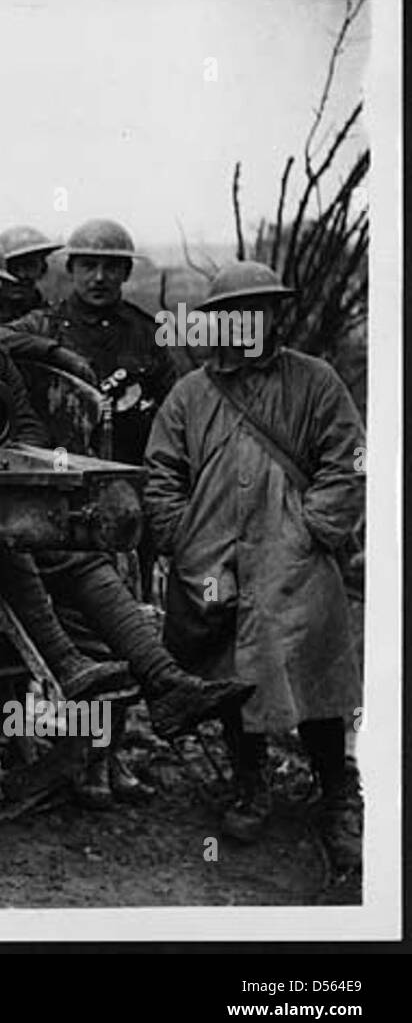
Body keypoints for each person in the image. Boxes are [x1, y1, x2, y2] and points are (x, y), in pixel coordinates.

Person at [0, 231, 252, 806]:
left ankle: (166, 682)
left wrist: (16, 463)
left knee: (74, 548)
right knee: (16, 540)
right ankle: (73, 669)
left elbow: (27, 427)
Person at [145, 261, 364, 872]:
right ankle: (249, 780)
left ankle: (337, 790)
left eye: (260, 308)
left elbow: (349, 459)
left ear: (275, 315)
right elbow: (162, 472)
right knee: (229, 673)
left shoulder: (315, 382)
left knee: (313, 670)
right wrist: (180, 537)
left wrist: (313, 528)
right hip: (213, 564)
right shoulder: (191, 394)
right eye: (233, 311)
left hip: (294, 560)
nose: (248, 321)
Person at [0, 218, 175, 466]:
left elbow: (174, 410)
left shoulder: (147, 332)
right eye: (88, 266)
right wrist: (56, 353)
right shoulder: (45, 324)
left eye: (111, 267)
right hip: (62, 468)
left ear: (126, 272)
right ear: (70, 269)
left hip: (130, 468)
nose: (99, 277)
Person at [0, 225, 61, 322]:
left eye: (29, 266)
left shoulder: (55, 319)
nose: (21, 275)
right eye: (12, 267)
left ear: (43, 269)